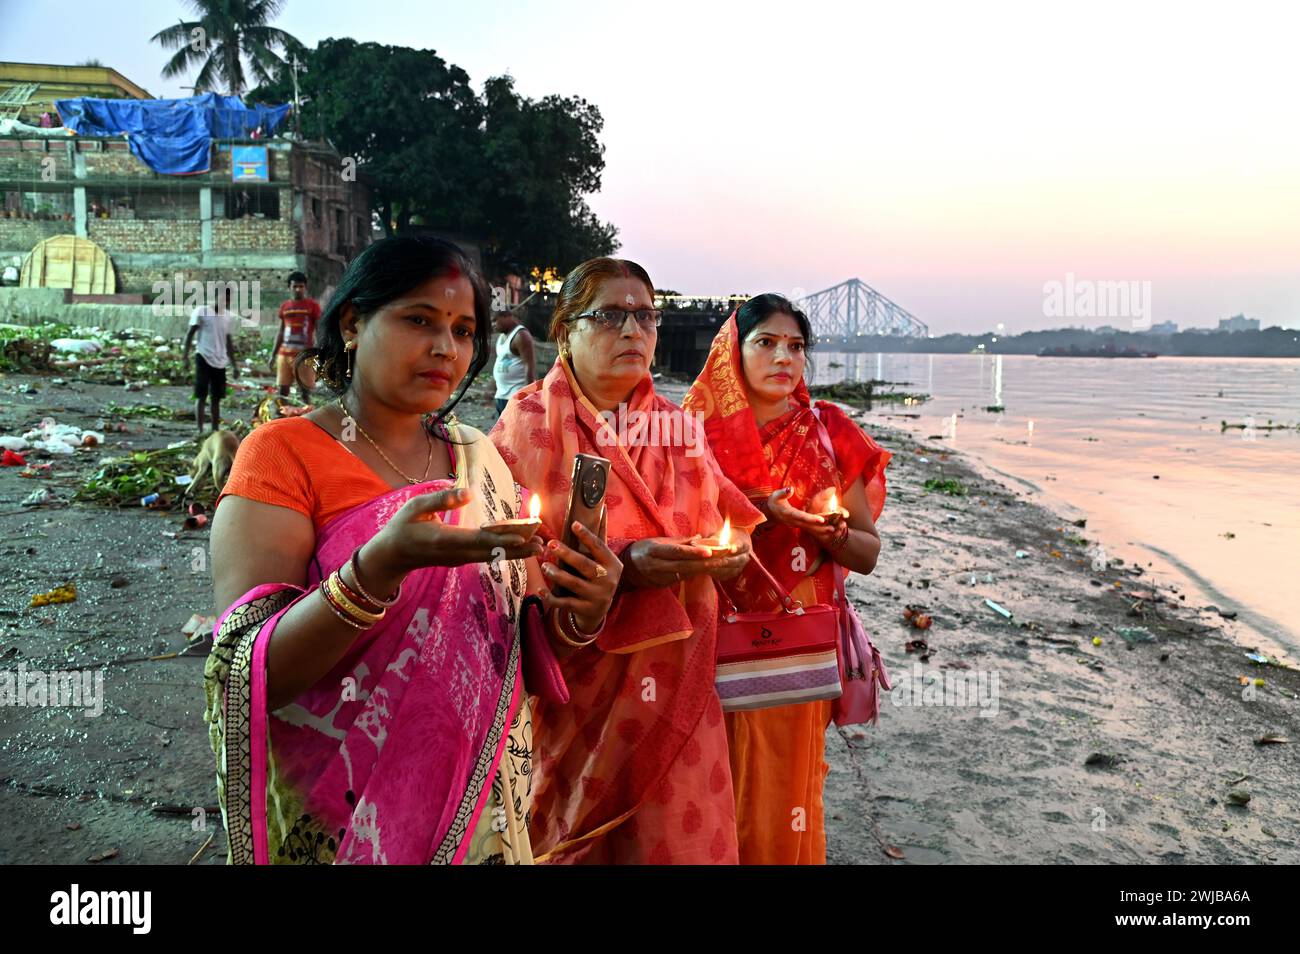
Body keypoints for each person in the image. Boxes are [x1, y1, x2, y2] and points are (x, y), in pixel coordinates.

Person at [205, 236, 620, 865]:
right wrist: (377, 569)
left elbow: (511, 648)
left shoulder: (482, 460)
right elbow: (250, 674)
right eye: (419, 319)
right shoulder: (284, 454)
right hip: (336, 818)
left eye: (462, 330)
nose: (444, 348)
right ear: (351, 323)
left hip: (478, 810)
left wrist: (581, 613)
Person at [491, 257, 763, 864]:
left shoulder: (679, 427)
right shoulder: (526, 423)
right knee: (569, 836)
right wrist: (626, 567)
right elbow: (506, 560)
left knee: (678, 838)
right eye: (610, 315)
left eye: (645, 316)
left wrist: (729, 555)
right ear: (564, 331)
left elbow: (733, 524)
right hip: (572, 688)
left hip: (676, 685)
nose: (633, 330)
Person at [683, 293, 891, 865]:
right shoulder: (693, 434)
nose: (784, 358)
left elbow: (868, 554)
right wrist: (753, 510)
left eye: (796, 346)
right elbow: (671, 532)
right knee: (710, 778)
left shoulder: (830, 430)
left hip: (799, 645)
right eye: (766, 343)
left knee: (788, 780)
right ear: (732, 351)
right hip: (709, 636)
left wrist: (832, 536)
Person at [183, 284, 237, 434]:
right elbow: (190, 334)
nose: (224, 301)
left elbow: (228, 341)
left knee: (216, 398)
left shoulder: (227, 316)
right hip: (203, 357)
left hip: (220, 361)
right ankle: (199, 430)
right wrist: (185, 357)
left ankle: (214, 430)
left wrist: (234, 364)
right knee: (201, 395)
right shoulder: (201, 311)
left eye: (227, 298)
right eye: (222, 297)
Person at [270, 271, 322, 403]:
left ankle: (305, 420)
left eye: (301, 286)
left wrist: (319, 353)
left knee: (304, 392)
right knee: (282, 391)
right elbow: (281, 331)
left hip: (303, 356)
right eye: (295, 286)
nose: (298, 289)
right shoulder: (285, 307)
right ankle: (282, 418)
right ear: (289, 287)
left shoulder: (312, 306)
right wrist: (273, 354)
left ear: (305, 287)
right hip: (284, 354)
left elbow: (319, 330)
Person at [492, 308, 536, 416]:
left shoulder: (521, 335)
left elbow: (529, 365)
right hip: (501, 395)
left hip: (515, 396)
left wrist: (528, 395)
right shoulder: (502, 337)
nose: (493, 324)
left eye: (495, 320)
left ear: (506, 316)